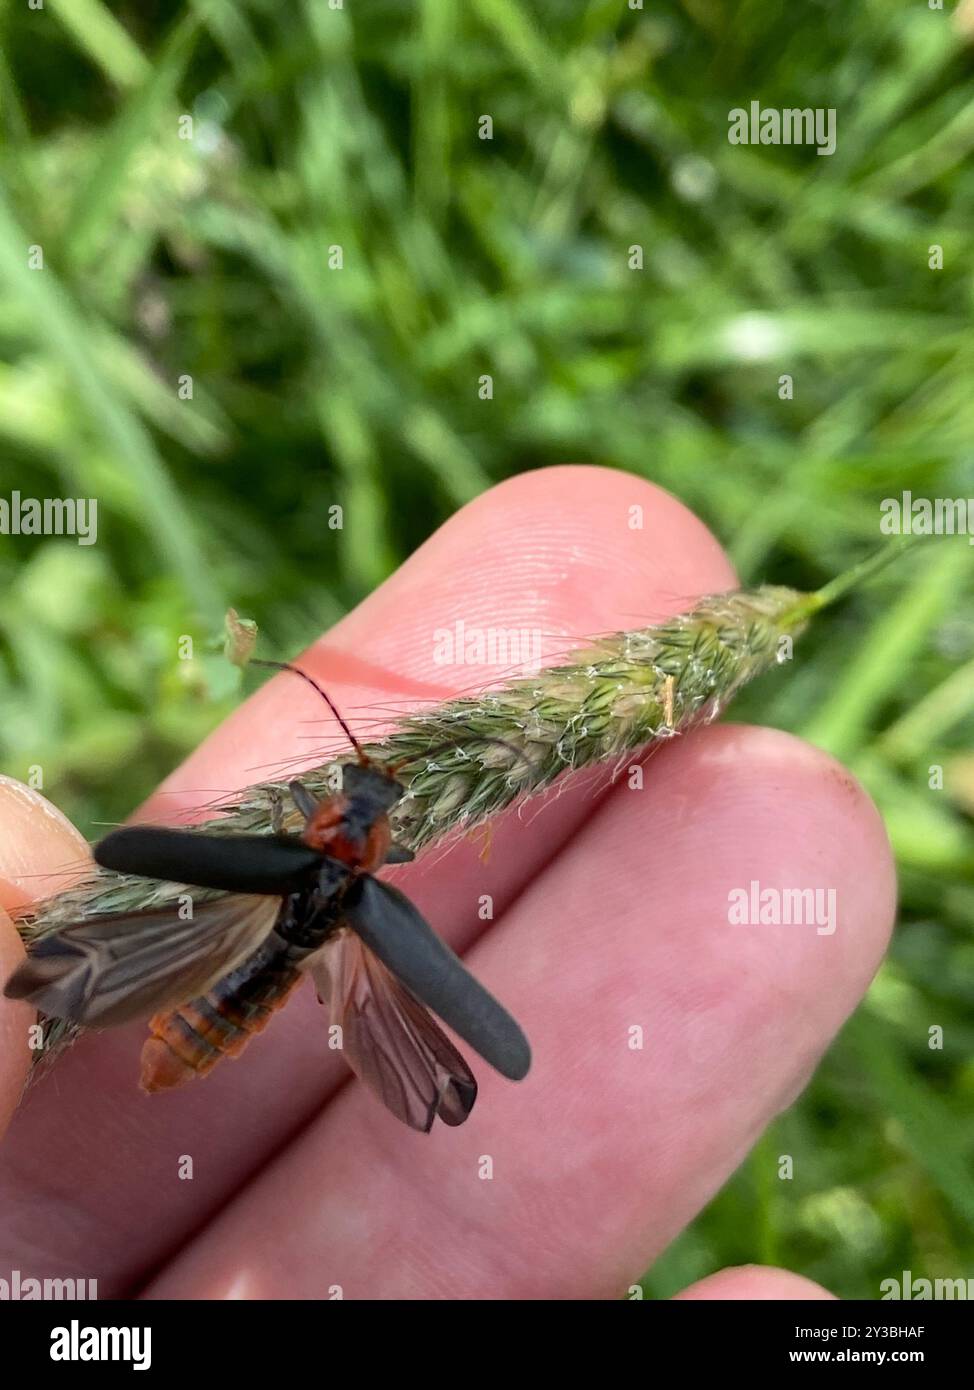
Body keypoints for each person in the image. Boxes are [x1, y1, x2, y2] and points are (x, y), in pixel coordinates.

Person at [0, 467, 894, 1299]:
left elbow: (153, 854)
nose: (349, 811)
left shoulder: (321, 863)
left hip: (230, 961)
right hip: (268, 978)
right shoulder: (364, 896)